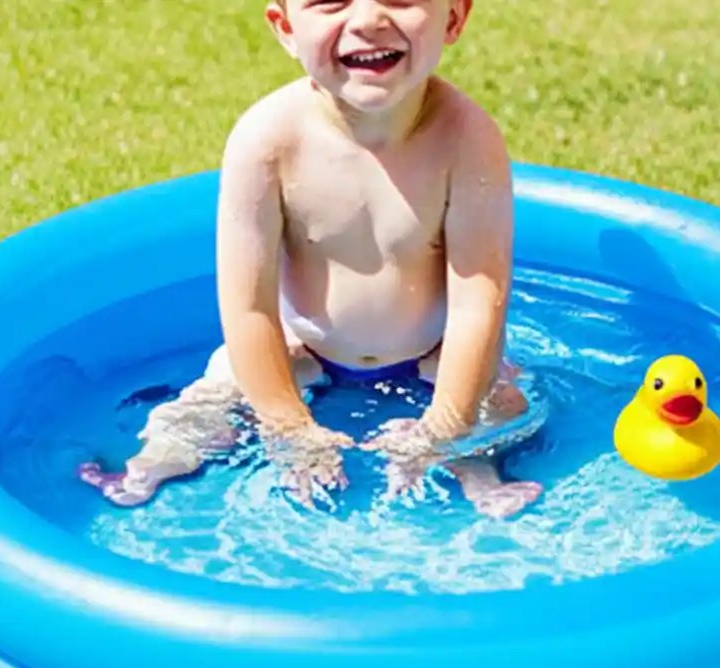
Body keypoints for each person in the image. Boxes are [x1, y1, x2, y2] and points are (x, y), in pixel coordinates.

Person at [79, 0, 543, 518]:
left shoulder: (467, 140)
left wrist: (443, 429)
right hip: (301, 347)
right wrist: (289, 430)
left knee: (505, 406)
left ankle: (476, 471)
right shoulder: (268, 141)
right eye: (330, 1)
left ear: (454, 18)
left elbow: (479, 304)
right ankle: (153, 463)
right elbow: (248, 310)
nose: (368, 20)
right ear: (284, 28)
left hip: (434, 352)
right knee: (201, 404)